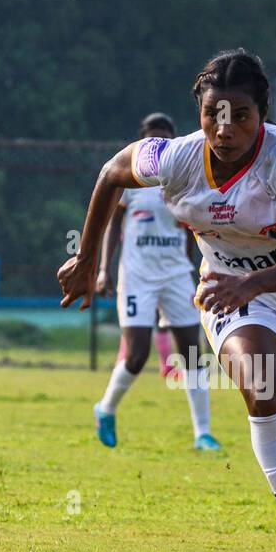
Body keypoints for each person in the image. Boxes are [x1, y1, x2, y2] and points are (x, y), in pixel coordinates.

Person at [58, 49, 276, 552]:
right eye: (213, 113)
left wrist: (255, 280)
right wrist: (87, 258)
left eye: (239, 114)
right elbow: (111, 173)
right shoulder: (174, 157)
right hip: (233, 294)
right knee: (262, 385)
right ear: (199, 112)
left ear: (261, 115)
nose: (225, 128)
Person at [93, 112, 221, 452]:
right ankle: (105, 409)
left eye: (164, 139)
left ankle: (203, 434)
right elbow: (111, 227)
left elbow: (194, 231)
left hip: (177, 276)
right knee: (136, 355)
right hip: (137, 278)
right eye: (151, 139)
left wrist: (198, 272)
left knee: (192, 353)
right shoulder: (130, 186)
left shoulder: (183, 181)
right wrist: (105, 269)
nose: (157, 145)